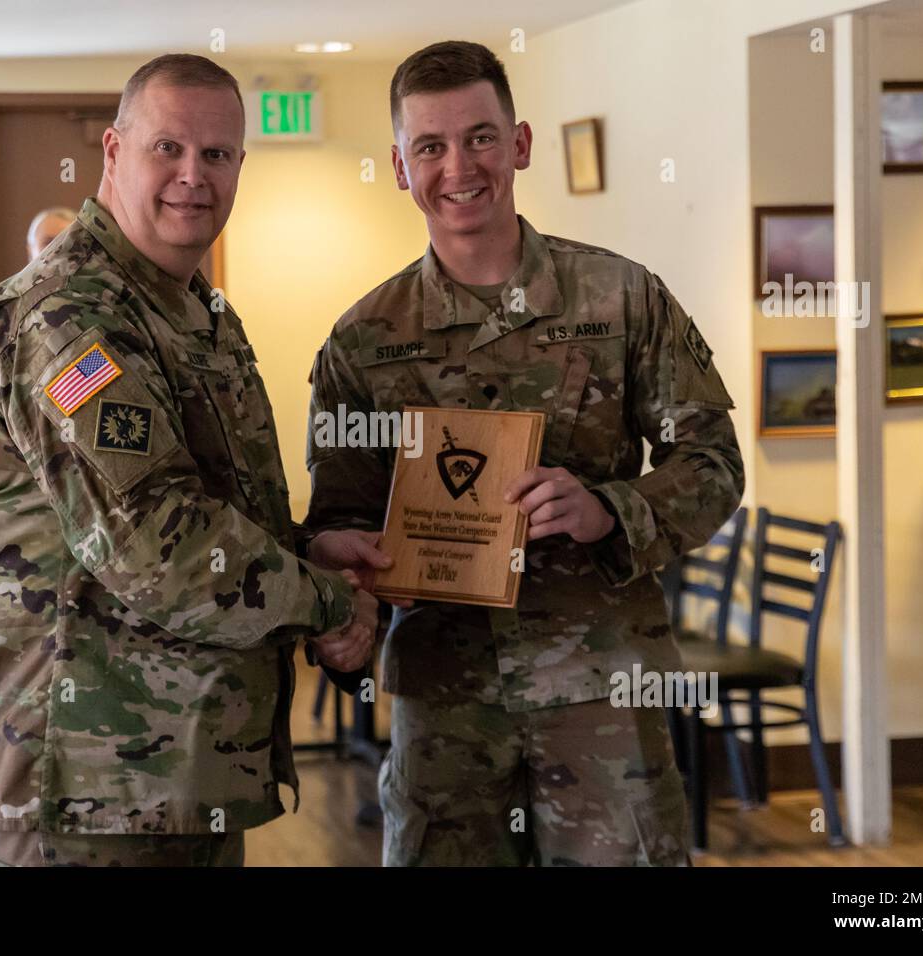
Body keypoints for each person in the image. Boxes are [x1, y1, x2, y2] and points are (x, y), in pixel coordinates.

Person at [0, 53, 377, 868]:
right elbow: (161, 545)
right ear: (111, 150)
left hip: (177, 778)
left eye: (217, 155)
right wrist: (327, 604)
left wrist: (304, 551)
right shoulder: (68, 319)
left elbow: (212, 507)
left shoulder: (193, 309)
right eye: (166, 149)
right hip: (75, 797)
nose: (192, 177)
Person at [304, 41, 745, 866]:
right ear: (400, 168)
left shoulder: (622, 298)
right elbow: (340, 519)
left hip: (603, 690)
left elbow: (715, 464)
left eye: (479, 137)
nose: (458, 166)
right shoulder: (363, 342)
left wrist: (608, 510)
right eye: (429, 146)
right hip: (446, 700)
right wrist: (341, 580)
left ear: (521, 144)